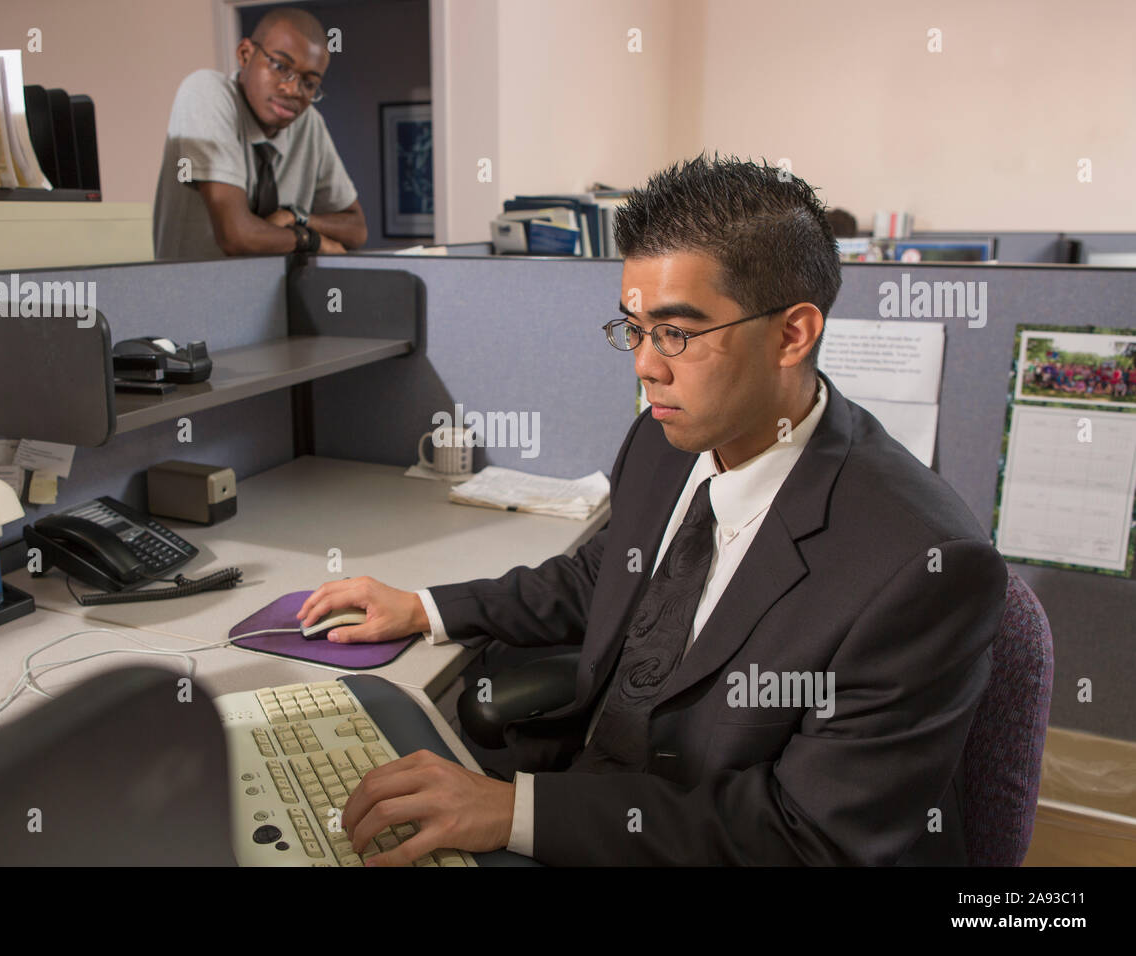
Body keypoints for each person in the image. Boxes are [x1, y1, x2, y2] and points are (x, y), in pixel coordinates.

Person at [300, 155, 1007, 866]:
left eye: (676, 332)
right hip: (599, 802)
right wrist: (425, 607)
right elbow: (602, 578)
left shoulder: (920, 565)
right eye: (633, 328)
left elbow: (810, 839)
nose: (644, 365)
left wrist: (519, 812)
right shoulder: (668, 436)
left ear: (793, 335)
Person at [153, 7, 367, 260]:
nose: (292, 90)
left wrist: (296, 217)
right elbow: (236, 236)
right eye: (279, 66)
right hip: (191, 293)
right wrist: (311, 240)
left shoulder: (309, 123)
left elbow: (356, 229)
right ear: (245, 54)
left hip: (271, 294)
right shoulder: (205, 92)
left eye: (309, 83)